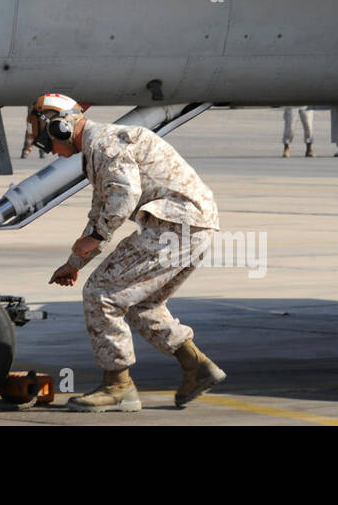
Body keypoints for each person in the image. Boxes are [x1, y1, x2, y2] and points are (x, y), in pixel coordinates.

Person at [36, 93, 225, 412]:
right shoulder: (102, 146)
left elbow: (125, 192)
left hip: (175, 226)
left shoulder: (105, 144)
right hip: (193, 227)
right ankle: (197, 366)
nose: (52, 151)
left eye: (47, 141)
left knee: (100, 294)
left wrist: (97, 237)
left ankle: (118, 385)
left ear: (61, 129)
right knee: (142, 303)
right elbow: (100, 210)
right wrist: (74, 262)